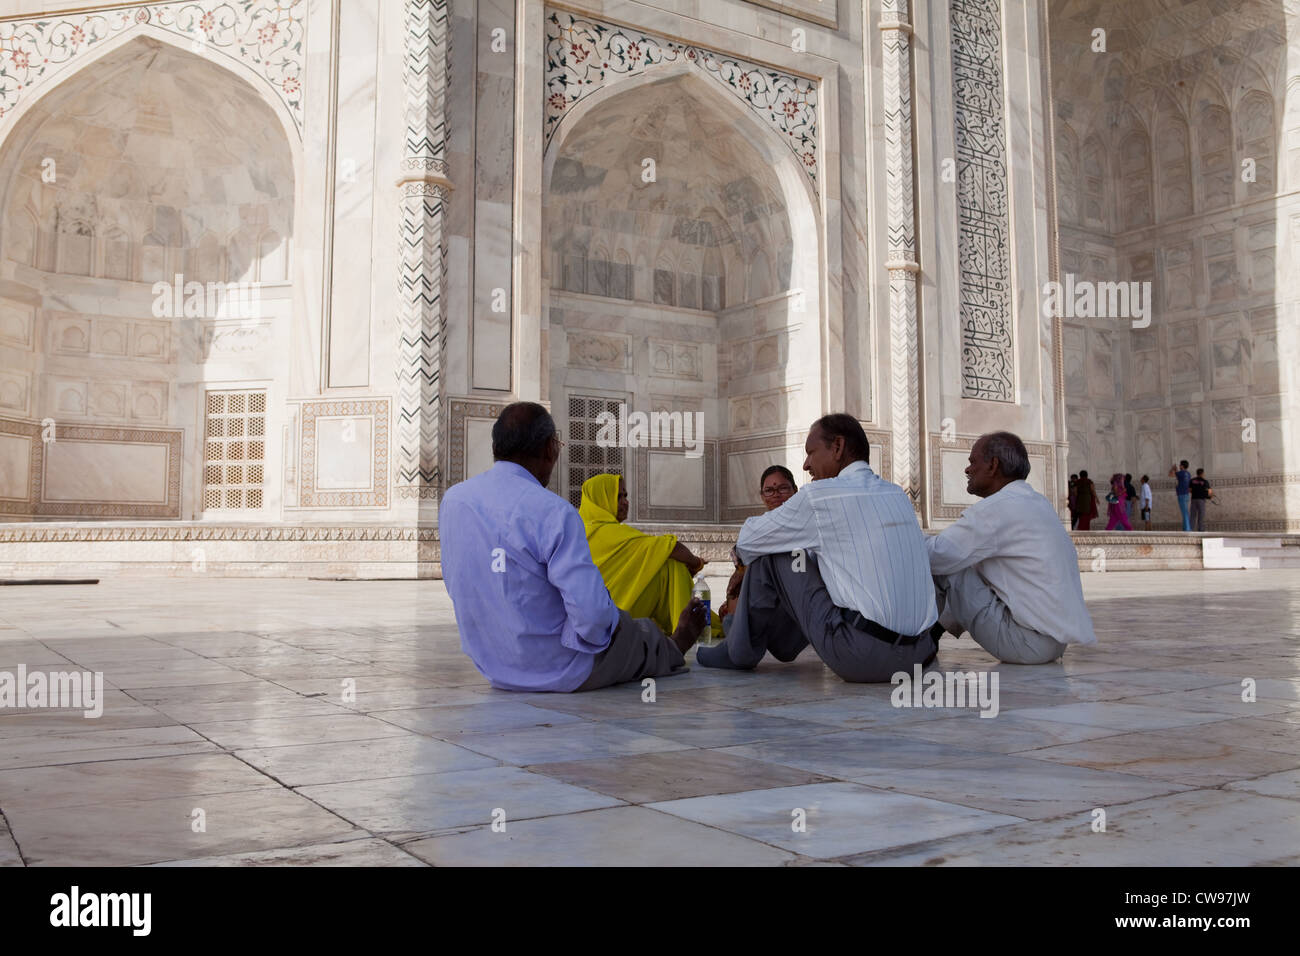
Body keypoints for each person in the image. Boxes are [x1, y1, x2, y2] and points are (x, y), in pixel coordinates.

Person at [439, 402, 708, 692]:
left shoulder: (454, 501)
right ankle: (676, 645)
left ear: (497, 447)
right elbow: (593, 620)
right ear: (549, 449)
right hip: (563, 668)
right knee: (636, 632)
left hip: (494, 666)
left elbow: (456, 582)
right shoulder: (554, 511)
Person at [695, 414, 939, 681]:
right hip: (920, 655)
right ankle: (774, 639)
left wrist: (743, 563)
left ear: (837, 447)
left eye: (811, 452)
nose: (806, 464)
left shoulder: (820, 495)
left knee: (778, 549)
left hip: (863, 657)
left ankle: (738, 651)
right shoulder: (896, 495)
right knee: (798, 547)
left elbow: (749, 538)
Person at [928, 432, 1097, 664]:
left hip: (1025, 643)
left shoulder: (999, 508)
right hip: (1053, 643)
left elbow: (936, 556)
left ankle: (922, 639)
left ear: (993, 465)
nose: (967, 470)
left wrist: (900, 539)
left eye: (973, 462)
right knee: (967, 560)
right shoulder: (1035, 502)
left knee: (949, 565)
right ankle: (933, 633)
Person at [579, 473, 718, 639]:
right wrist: (697, 563)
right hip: (614, 617)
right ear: (601, 500)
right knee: (671, 564)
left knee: (658, 561)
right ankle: (687, 631)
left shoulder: (579, 531)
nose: (625, 502)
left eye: (625, 495)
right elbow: (671, 547)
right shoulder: (613, 533)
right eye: (618, 497)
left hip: (587, 622)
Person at [718, 465, 797, 619]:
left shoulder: (803, 521)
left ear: (795, 490)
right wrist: (740, 571)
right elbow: (742, 555)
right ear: (762, 495)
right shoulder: (755, 526)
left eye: (783, 489)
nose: (776, 495)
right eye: (769, 491)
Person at [1169, 460, 1192, 531]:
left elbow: (1170, 475)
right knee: (1185, 512)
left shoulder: (1181, 473)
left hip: (1182, 494)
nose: (1179, 466)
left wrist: (1172, 468)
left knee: (1184, 512)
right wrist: (1176, 471)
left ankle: (1187, 529)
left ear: (1182, 466)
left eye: (1180, 465)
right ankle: (1186, 528)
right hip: (1186, 494)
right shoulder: (1188, 473)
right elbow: (1179, 477)